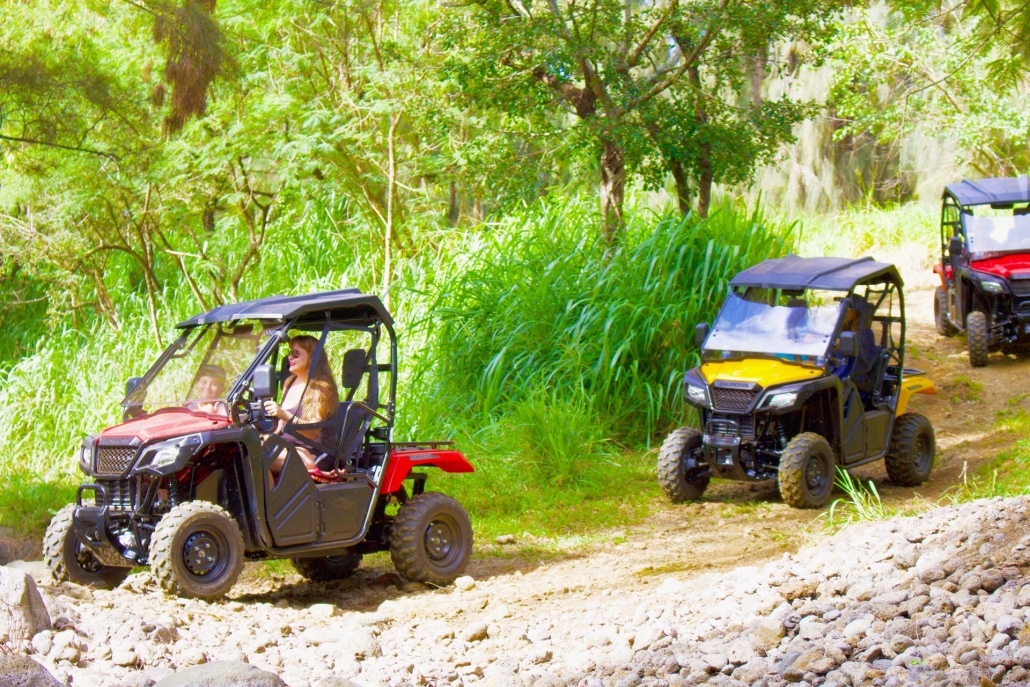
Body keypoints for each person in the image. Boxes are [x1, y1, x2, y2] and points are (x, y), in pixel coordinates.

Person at [264, 335, 340, 478]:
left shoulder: (321, 387)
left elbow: (313, 432)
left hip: (314, 450)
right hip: (288, 445)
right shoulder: (289, 382)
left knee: (266, 459)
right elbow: (281, 424)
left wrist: (283, 414)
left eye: (295, 353)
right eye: (290, 352)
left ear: (312, 357)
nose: (290, 358)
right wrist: (267, 438)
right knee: (252, 453)